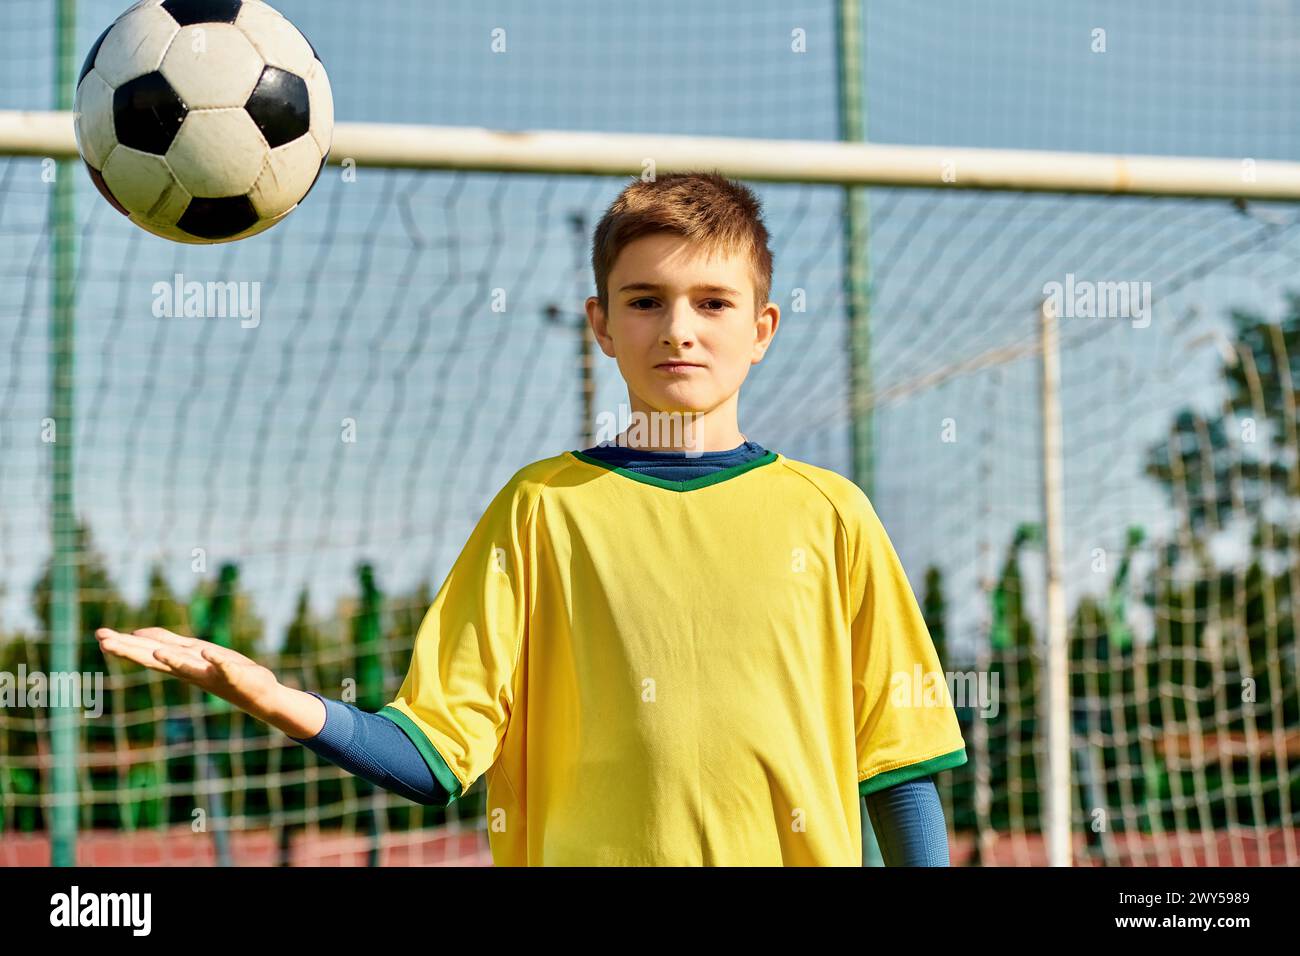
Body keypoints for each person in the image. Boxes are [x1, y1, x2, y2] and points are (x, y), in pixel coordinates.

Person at [97, 171, 967, 866]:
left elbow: (898, 764)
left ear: (764, 327)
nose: (679, 329)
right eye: (644, 300)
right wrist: (279, 700)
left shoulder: (831, 516)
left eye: (713, 302)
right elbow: (434, 756)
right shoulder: (539, 511)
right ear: (600, 325)